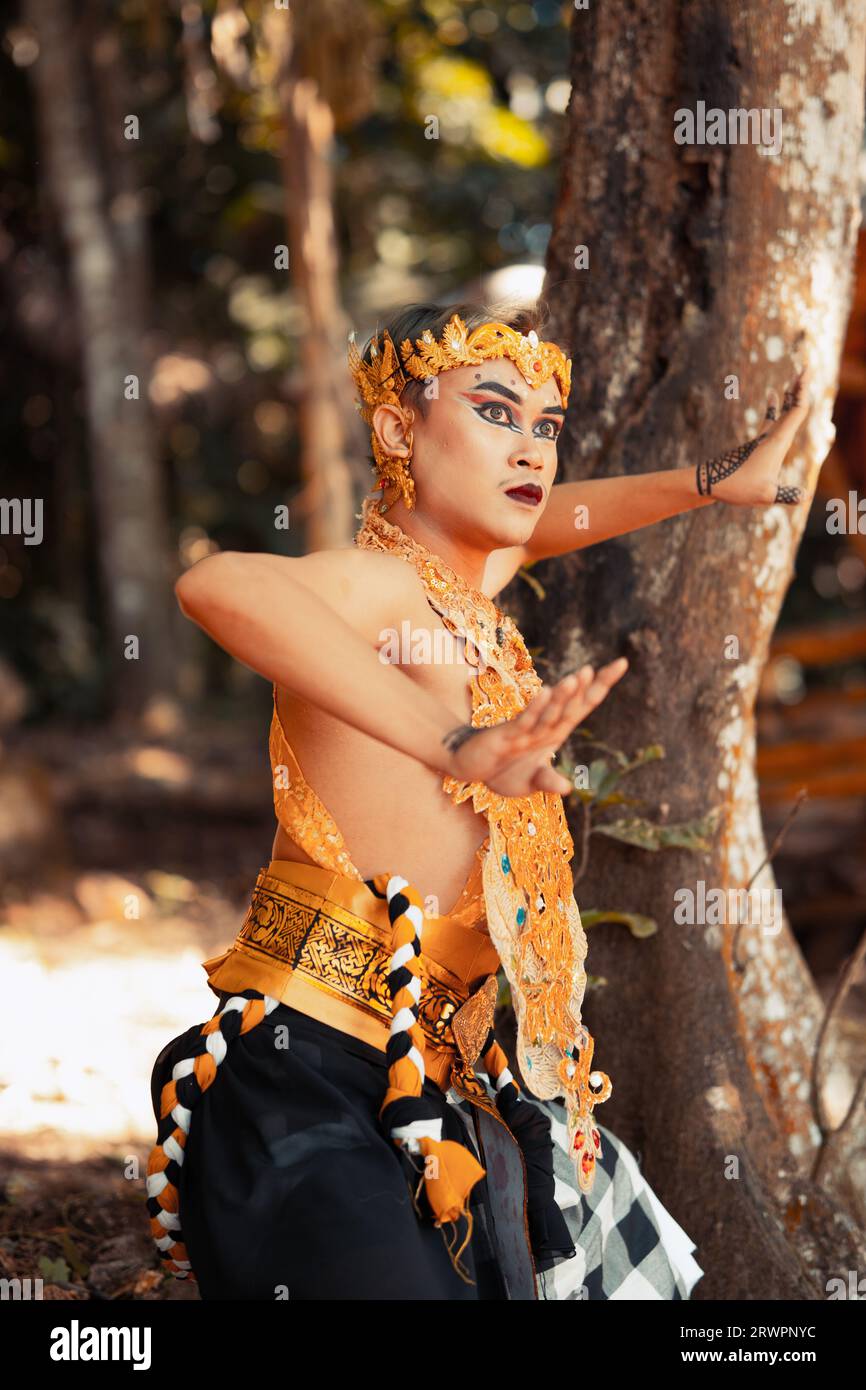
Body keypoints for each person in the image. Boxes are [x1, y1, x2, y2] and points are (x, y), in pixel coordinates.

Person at [146, 300, 809, 1300]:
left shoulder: (465, 594)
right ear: (397, 430)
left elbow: (553, 520)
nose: (531, 447)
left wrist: (716, 483)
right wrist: (456, 743)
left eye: (544, 425)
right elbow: (218, 585)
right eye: (494, 411)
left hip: (438, 1077)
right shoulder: (375, 587)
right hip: (304, 1069)